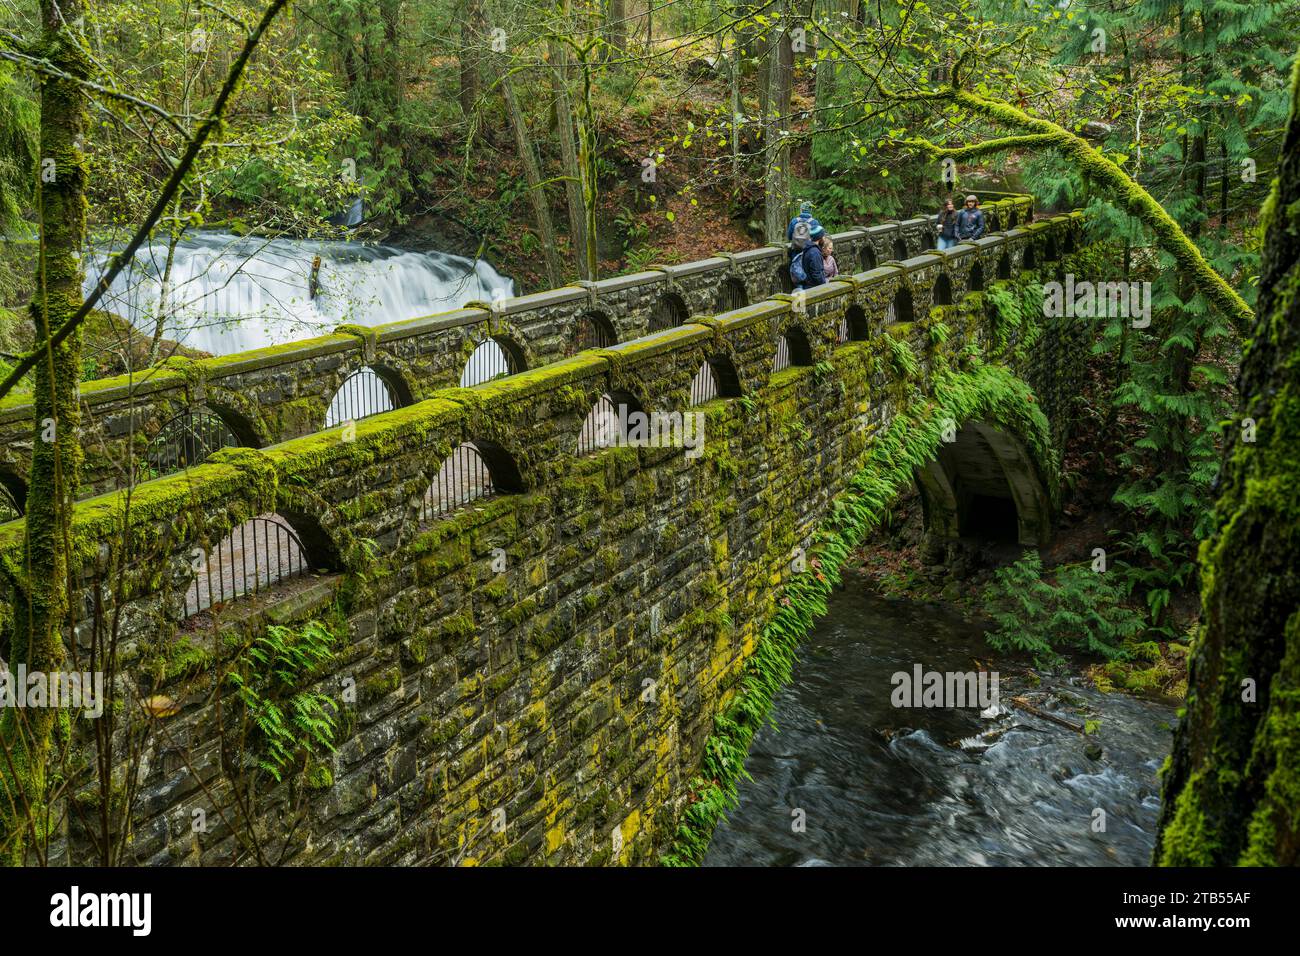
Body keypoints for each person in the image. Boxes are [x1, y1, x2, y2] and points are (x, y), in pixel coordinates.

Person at [790, 220, 827, 290]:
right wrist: (824, 285)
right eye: (823, 236)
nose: (825, 239)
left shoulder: (808, 248)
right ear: (819, 238)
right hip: (814, 288)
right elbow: (816, 274)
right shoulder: (814, 252)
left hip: (808, 286)